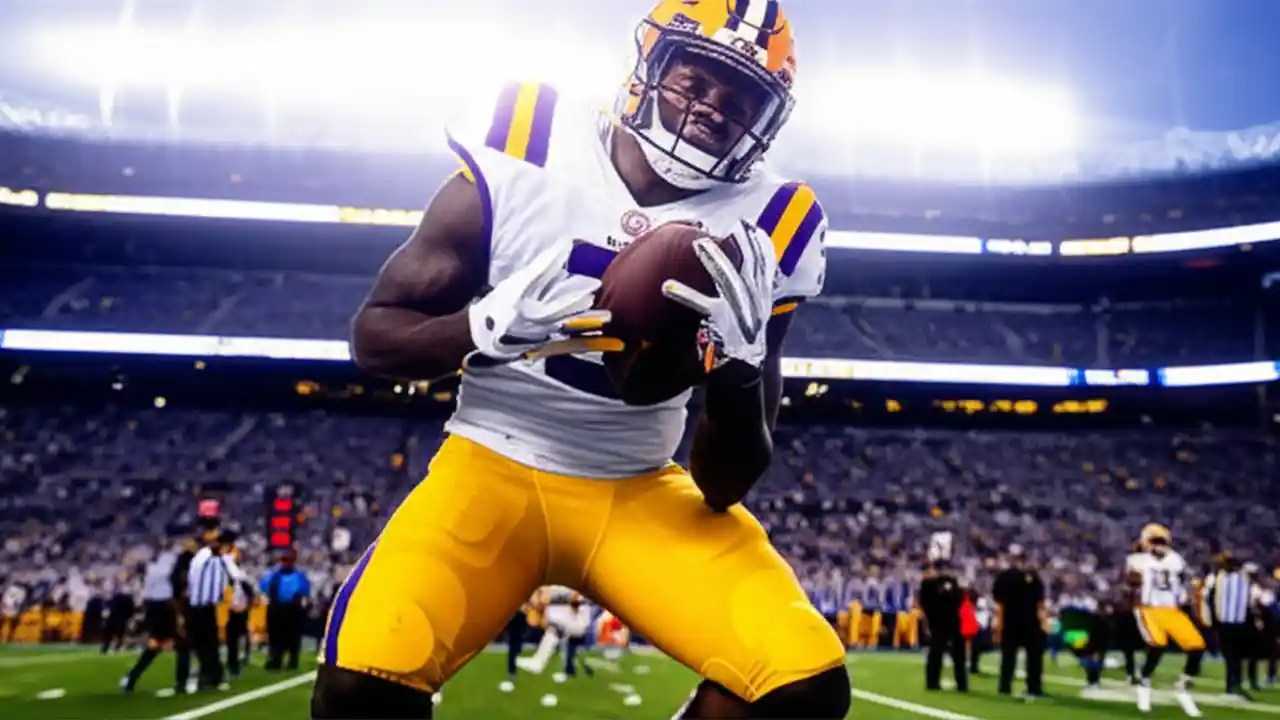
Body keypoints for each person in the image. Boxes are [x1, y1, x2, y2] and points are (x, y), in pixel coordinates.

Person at [310, 1, 847, 719]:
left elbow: (726, 484)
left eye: (741, 98)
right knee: (358, 688)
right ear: (649, 68)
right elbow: (375, 339)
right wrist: (481, 324)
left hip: (638, 486)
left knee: (804, 688)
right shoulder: (528, 139)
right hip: (490, 463)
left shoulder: (775, 223)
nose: (713, 110)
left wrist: (738, 374)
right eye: (697, 79)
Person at [1127, 523, 1204, 716]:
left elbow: (1186, 577)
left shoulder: (1176, 559)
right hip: (1149, 609)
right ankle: (1144, 681)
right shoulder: (1138, 559)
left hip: (1173, 610)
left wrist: (1191, 591)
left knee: (1197, 646)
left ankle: (1183, 684)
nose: (1158, 546)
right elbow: (1131, 578)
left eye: (1161, 543)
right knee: (1157, 646)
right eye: (1154, 542)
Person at [122, 539, 193, 695]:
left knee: (154, 645)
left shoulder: (153, 564)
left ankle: (132, 678)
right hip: (168, 605)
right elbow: (178, 582)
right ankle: (181, 683)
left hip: (153, 605)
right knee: (183, 644)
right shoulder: (175, 561)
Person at [186, 526, 241, 691]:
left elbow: (236, 575)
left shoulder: (218, 558)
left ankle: (212, 677)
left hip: (208, 607)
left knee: (210, 643)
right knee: (203, 644)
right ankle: (208, 676)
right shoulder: (204, 557)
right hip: (198, 606)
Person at [993, 545, 1046, 699]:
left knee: (1008, 655)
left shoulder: (1004, 576)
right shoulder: (1033, 576)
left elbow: (998, 600)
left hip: (1010, 620)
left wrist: (999, 623)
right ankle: (1034, 687)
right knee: (1034, 656)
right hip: (1030, 621)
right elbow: (1040, 602)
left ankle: (1005, 686)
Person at [1204, 552, 1255, 699]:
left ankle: (1233, 685)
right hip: (1228, 622)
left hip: (1236, 622)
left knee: (1234, 657)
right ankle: (1233, 685)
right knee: (1232, 657)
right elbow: (1210, 599)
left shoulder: (1224, 578)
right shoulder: (1221, 578)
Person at [259, 548, 311, 671]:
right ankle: (275, 660)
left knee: (293, 637)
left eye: (288, 561)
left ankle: (292, 661)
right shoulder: (274, 575)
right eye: (284, 560)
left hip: (293, 610)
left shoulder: (299, 576)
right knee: (275, 637)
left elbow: (305, 591)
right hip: (276, 609)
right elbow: (263, 587)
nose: (286, 563)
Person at [920, 561, 967, 692]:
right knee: (938, 653)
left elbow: (959, 599)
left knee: (956, 654)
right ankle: (934, 682)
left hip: (949, 622)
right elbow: (926, 603)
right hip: (941, 623)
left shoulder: (948, 582)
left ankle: (959, 683)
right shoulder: (929, 584)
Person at [225, 538, 254, 678]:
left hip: (237, 608)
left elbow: (247, 590)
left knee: (239, 637)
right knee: (233, 639)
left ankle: (240, 659)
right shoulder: (231, 569)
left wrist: (248, 604)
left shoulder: (238, 571)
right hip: (230, 608)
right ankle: (234, 663)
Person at [101, 581, 136, 654]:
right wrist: (128, 618)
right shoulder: (129, 599)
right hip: (121, 619)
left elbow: (108, 605)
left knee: (108, 635)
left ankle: (104, 649)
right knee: (120, 635)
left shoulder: (116, 597)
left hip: (112, 618)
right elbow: (131, 610)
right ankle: (117, 648)